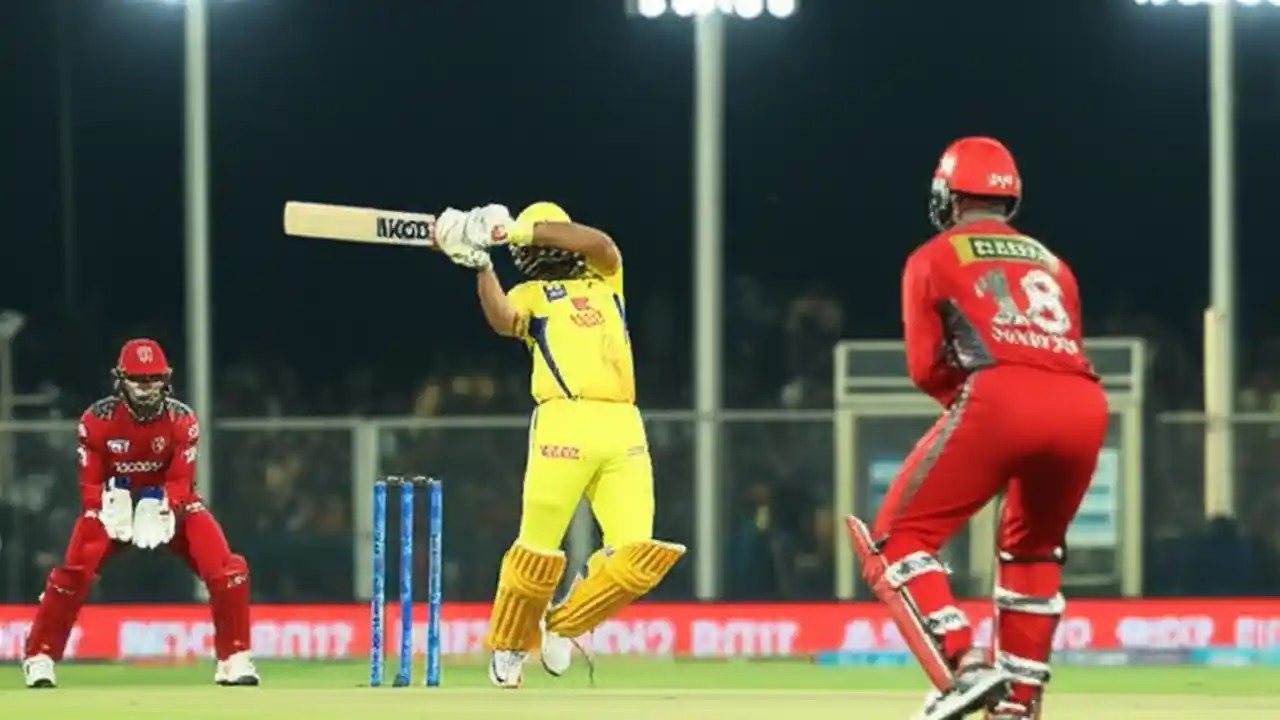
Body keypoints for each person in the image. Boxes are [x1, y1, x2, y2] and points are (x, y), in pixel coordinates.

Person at [844, 137, 1107, 720]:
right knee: (1033, 550)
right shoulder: (1054, 264)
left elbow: (926, 367)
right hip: (1085, 405)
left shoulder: (933, 257)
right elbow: (1060, 349)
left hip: (1002, 396)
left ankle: (963, 664)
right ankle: (1017, 705)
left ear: (948, 195)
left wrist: (979, 418)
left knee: (897, 538)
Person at [432, 202, 685, 688]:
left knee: (637, 557)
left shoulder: (607, 278)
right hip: (562, 423)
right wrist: (480, 264)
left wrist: (514, 230)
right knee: (537, 552)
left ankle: (565, 623)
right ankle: (510, 645)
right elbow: (504, 320)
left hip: (623, 425)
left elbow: (600, 244)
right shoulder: (531, 293)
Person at [22, 339, 257, 688]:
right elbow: (89, 485)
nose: (146, 388)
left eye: (152, 379)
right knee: (72, 575)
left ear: (166, 378)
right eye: (137, 379)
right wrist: (104, 506)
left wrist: (163, 504)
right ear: (120, 379)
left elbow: (181, 480)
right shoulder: (96, 421)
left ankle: (234, 658)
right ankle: (39, 656)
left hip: (167, 506)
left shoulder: (182, 420)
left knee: (228, 570)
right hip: (113, 507)